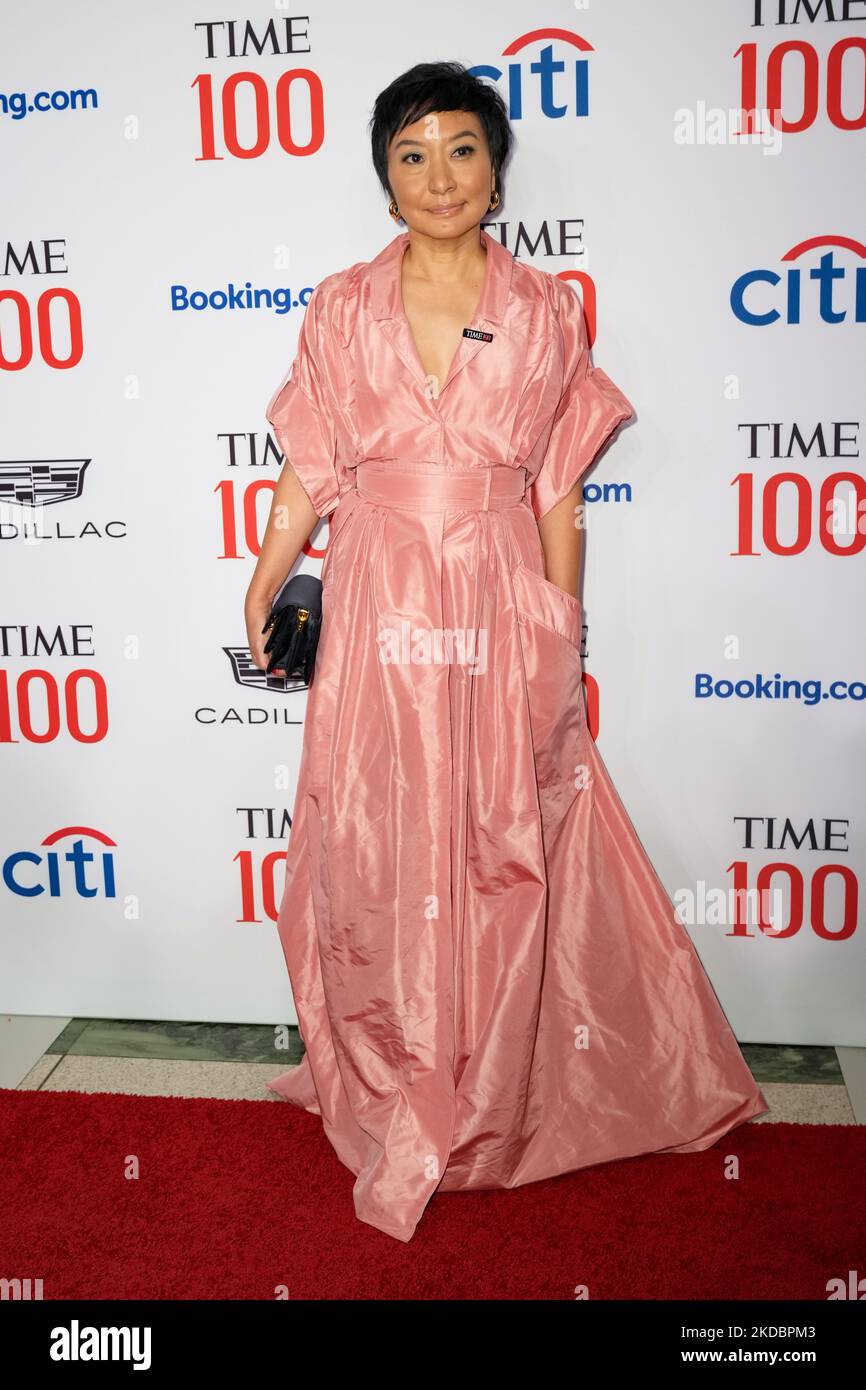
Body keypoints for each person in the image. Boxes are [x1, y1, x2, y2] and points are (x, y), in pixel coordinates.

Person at [245, 61, 769, 1244]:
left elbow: (556, 489)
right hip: (377, 588)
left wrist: (554, 624)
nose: (439, 177)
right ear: (384, 181)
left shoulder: (543, 310)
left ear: (496, 166)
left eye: (462, 149)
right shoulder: (338, 305)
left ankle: (494, 1094)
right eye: (412, 155)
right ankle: (388, 1074)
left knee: (504, 833)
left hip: (493, 594)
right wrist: (267, 572)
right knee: (371, 830)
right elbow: (311, 463)